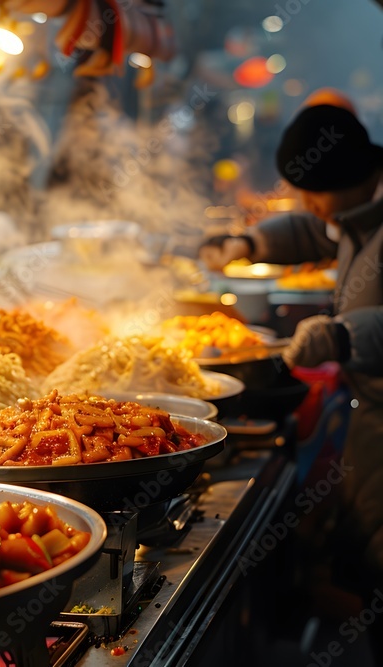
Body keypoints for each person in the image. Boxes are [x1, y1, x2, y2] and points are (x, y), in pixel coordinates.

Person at [200, 99, 383, 657]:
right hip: (368, 411)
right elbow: (314, 230)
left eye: (314, 191)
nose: (307, 204)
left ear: (352, 177)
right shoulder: (356, 209)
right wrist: (249, 244)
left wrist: (344, 335)